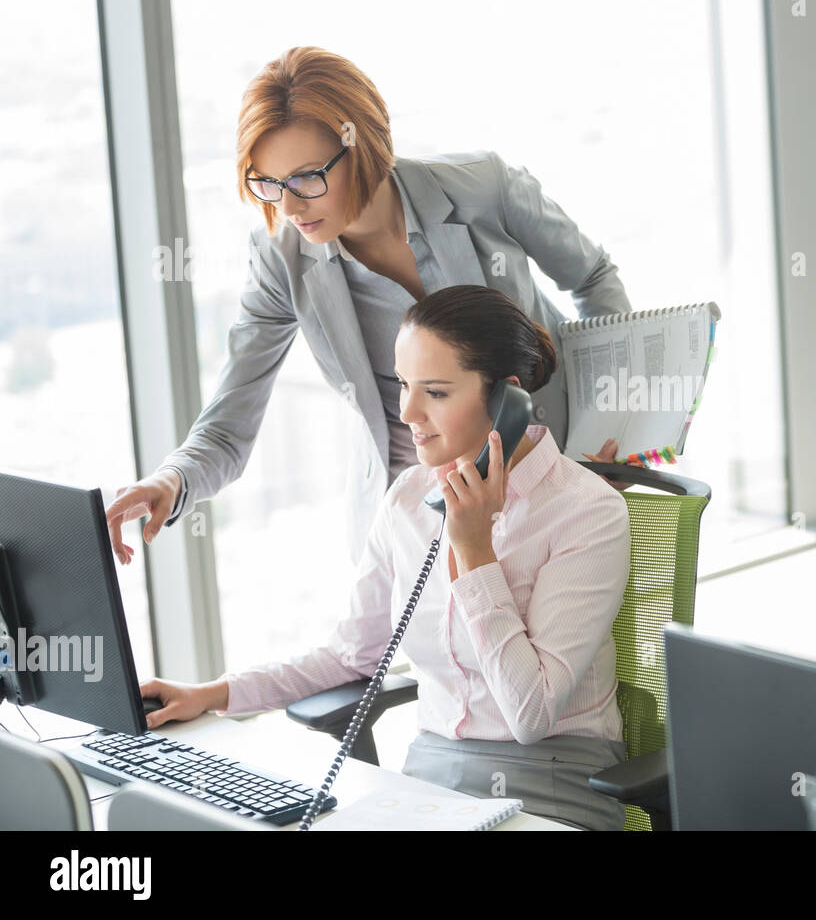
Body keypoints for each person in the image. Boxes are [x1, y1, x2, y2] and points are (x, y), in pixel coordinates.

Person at [106, 45, 631, 567]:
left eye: (307, 177)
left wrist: (609, 431)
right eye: (266, 183)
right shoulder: (281, 261)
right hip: (423, 521)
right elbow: (230, 420)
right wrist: (173, 481)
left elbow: (593, 278)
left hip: (562, 477)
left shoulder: (484, 188)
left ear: (363, 146)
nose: (287, 207)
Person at [138, 286, 633, 831]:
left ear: (506, 400)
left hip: (554, 787)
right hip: (429, 787)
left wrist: (474, 553)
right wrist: (215, 693)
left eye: (436, 393)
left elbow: (531, 715)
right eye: (403, 384)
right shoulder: (408, 499)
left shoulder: (586, 510)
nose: (408, 413)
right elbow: (351, 657)